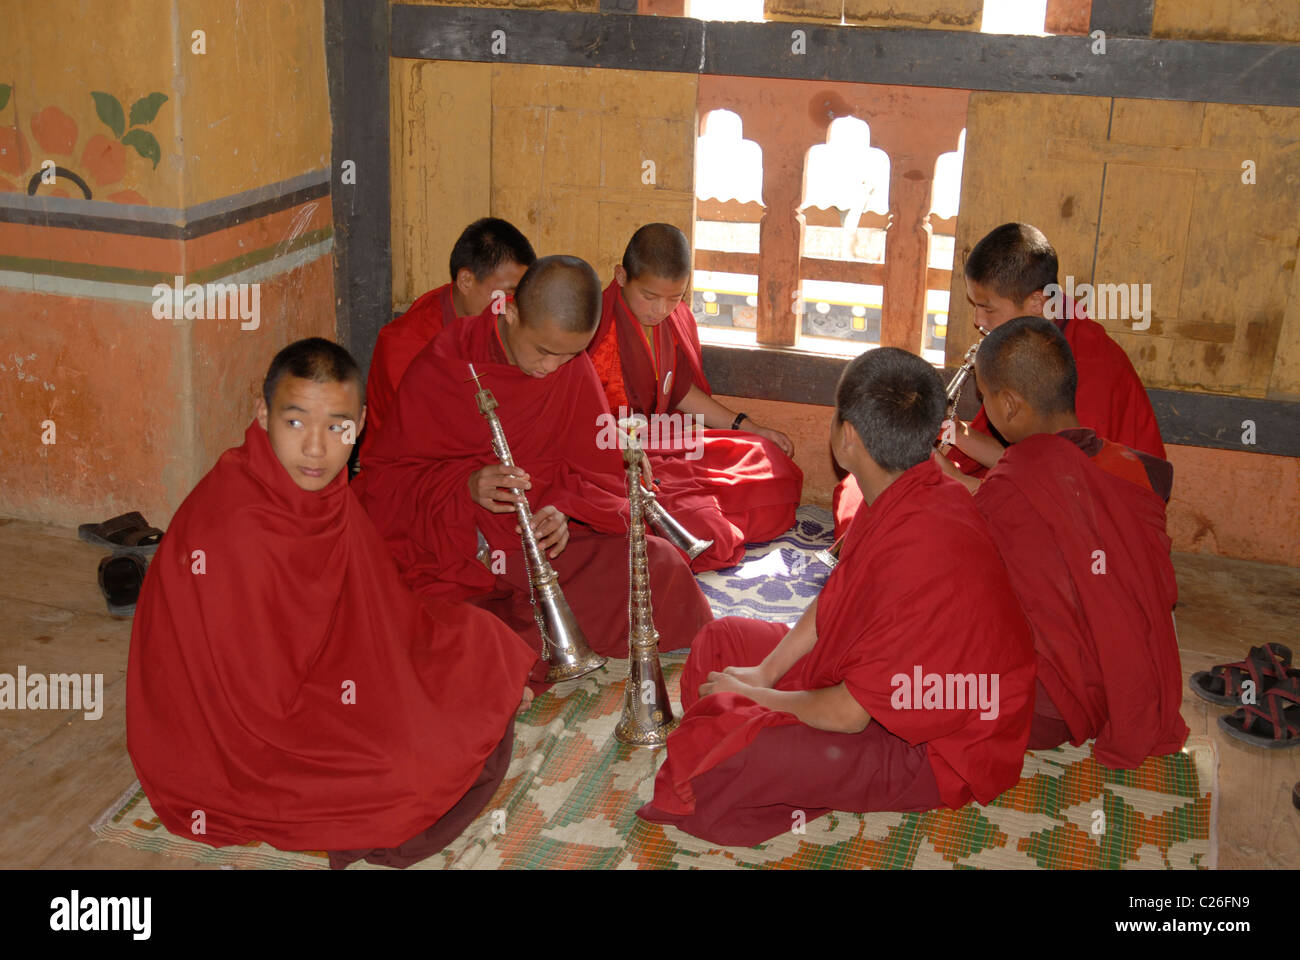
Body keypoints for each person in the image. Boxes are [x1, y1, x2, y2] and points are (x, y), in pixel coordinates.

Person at [126, 338, 535, 869]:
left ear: (360, 424)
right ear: (262, 414)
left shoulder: (328, 494)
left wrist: (400, 688)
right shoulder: (232, 525)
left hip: (324, 674)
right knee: (404, 773)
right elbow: (251, 705)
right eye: (295, 423)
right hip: (243, 732)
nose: (316, 450)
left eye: (337, 427)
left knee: (478, 642)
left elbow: (383, 613)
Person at [637, 347, 1036, 846]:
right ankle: (755, 731)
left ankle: (763, 746)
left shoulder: (925, 536)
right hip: (871, 685)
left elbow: (851, 715)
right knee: (720, 643)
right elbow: (835, 603)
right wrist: (764, 674)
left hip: (934, 745)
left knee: (724, 761)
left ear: (847, 436)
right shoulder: (905, 488)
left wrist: (761, 698)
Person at [356, 255, 713, 695]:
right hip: (462, 553)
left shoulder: (568, 366)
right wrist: (465, 487)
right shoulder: (447, 361)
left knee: (662, 569)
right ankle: (496, 650)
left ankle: (514, 643)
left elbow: (595, 474)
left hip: (548, 552)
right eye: (542, 351)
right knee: (432, 629)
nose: (550, 369)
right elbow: (387, 477)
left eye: (567, 356)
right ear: (510, 310)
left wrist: (564, 512)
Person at [833, 222, 1165, 538]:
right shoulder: (1029, 334)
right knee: (866, 484)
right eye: (975, 306)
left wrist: (956, 480)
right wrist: (959, 438)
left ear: (1037, 301)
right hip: (1026, 482)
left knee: (917, 512)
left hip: (1089, 520)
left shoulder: (1091, 364)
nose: (978, 321)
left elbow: (1063, 494)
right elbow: (1017, 454)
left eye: (988, 309)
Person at [957, 316, 1188, 766]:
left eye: (983, 396)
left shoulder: (1012, 486)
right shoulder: (1137, 470)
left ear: (1008, 405)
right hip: (1122, 690)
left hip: (1041, 707)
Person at [588, 223, 803, 570]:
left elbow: (680, 390)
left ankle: (701, 502)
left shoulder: (675, 319)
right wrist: (626, 451)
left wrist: (747, 427)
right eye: (650, 297)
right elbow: (577, 417)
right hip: (609, 455)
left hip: (661, 441)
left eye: (674, 298)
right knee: (705, 530)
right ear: (622, 276)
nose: (661, 310)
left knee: (767, 459)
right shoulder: (594, 325)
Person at [361, 217, 536, 461]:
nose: (513, 306)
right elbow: (426, 440)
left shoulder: (496, 320)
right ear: (466, 281)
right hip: (408, 470)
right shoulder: (406, 344)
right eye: (508, 294)